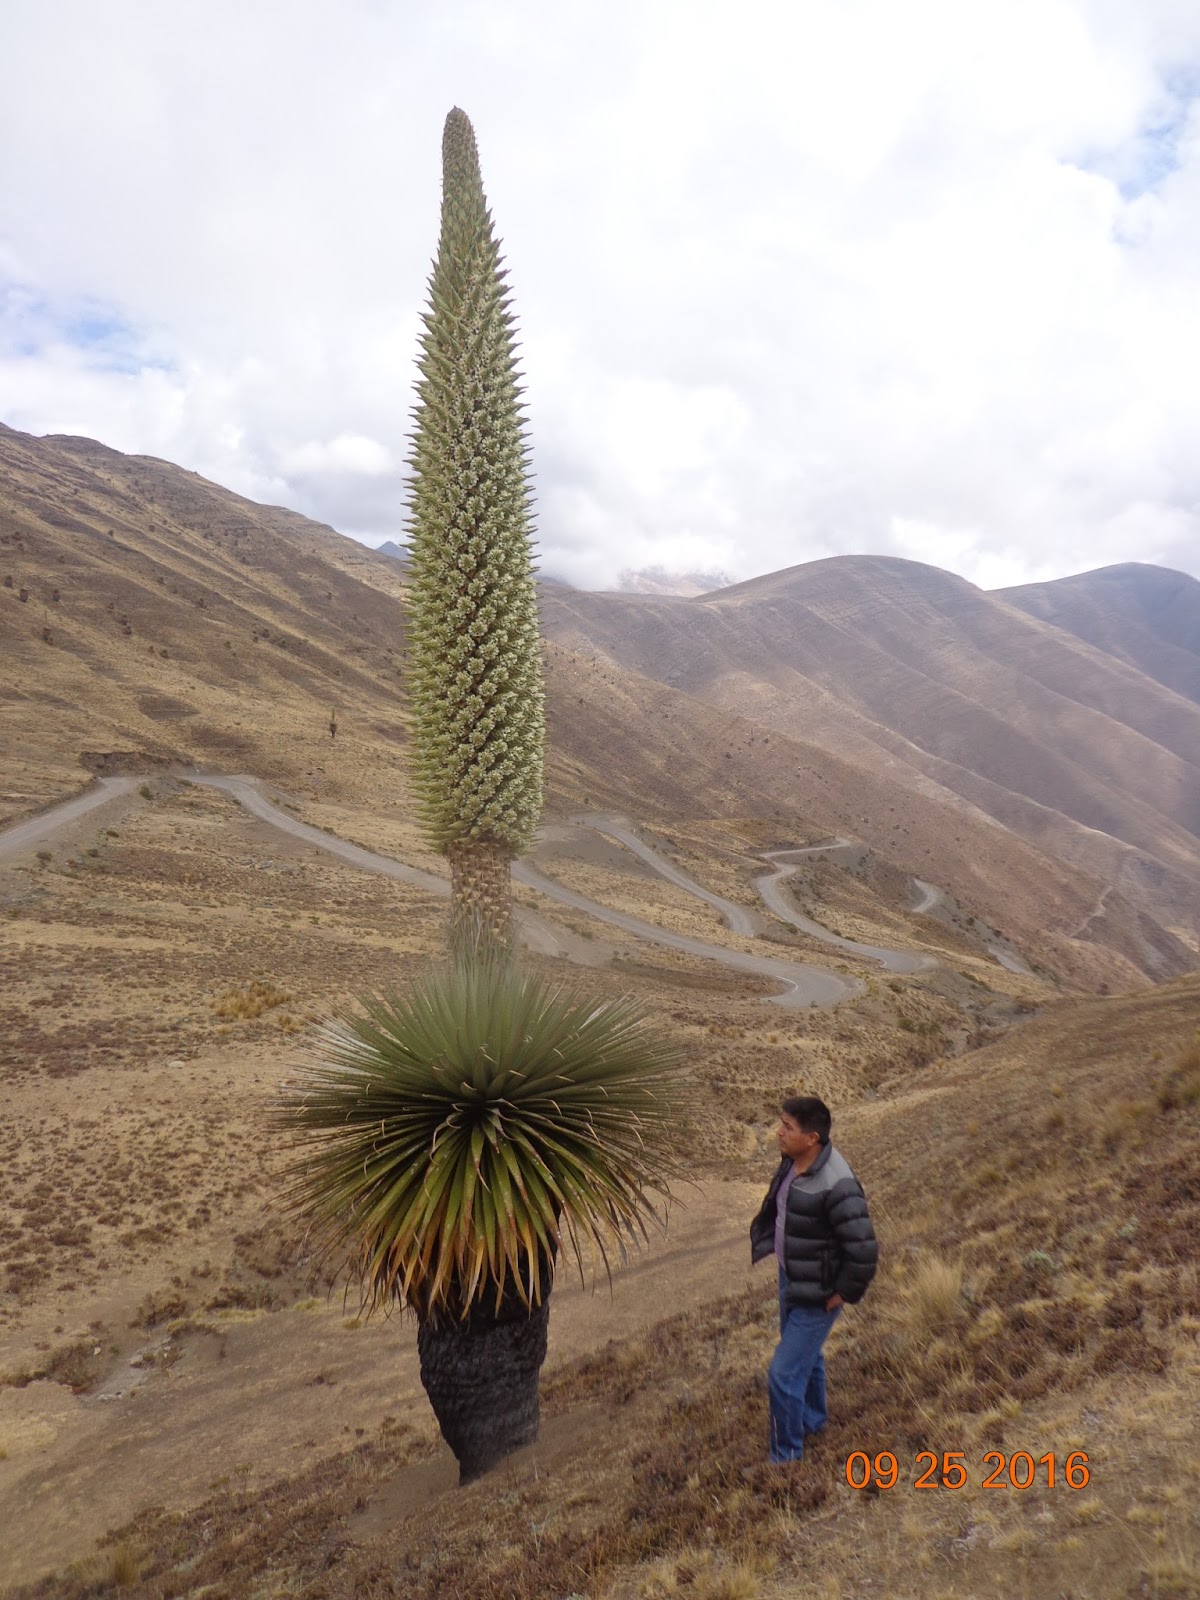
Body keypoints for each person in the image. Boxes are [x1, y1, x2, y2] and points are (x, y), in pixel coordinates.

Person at [749, 1095, 877, 1463]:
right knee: (808, 1357)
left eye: (787, 1127)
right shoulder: (793, 1161)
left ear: (812, 1138)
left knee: (782, 1374)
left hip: (820, 1291)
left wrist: (843, 1293)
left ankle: (785, 1458)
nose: (778, 1132)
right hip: (794, 1277)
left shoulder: (837, 1182)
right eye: (781, 1123)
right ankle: (813, 1421)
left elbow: (864, 1250)